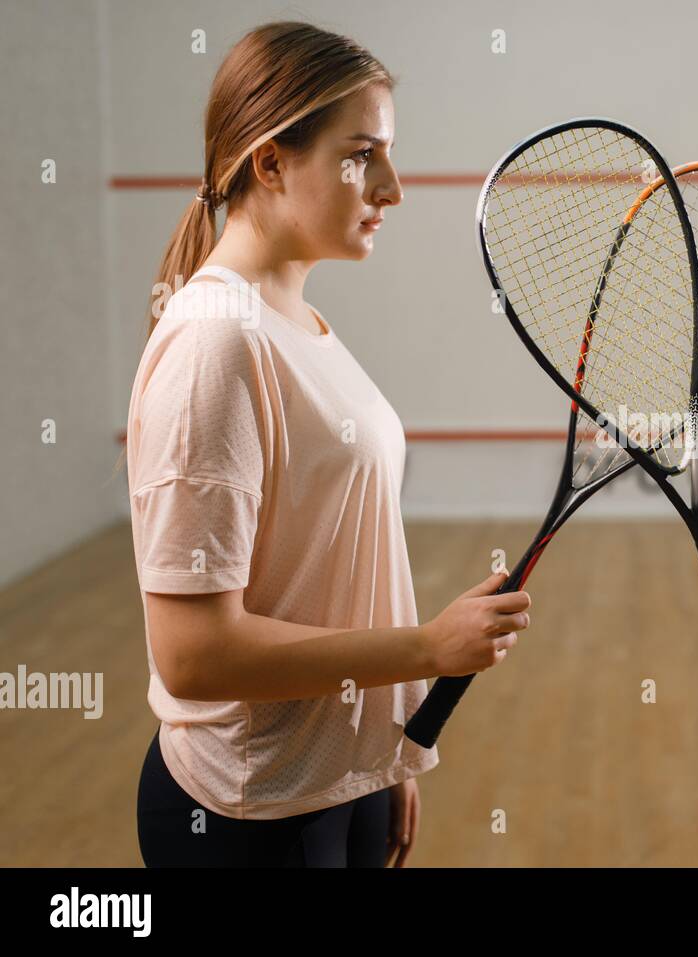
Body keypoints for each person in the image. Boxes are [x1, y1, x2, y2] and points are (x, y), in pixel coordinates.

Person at [128, 21, 531, 867]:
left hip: (337, 782)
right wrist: (425, 648)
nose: (392, 187)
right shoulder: (215, 342)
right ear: (271, 163)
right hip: (248, 814)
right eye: (364, 155)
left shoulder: (297, 320)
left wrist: (379, 755)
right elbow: (194, 653)